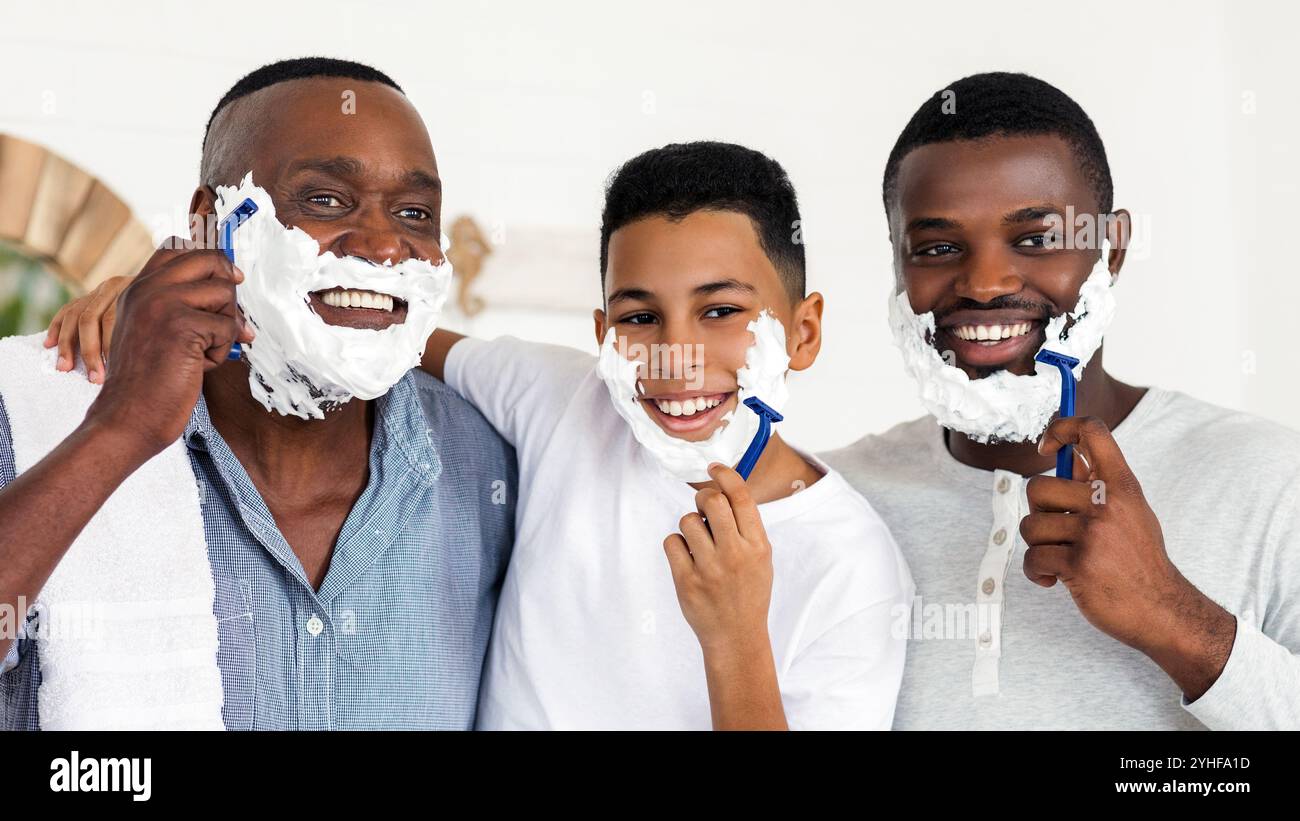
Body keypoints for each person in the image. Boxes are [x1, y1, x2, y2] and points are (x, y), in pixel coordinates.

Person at [53, 141, 914, 730]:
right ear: (599, 329)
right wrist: (178, 291)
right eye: (639, 315)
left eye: (722, 311)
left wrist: (734, 640)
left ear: (802, 332)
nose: (676, 355)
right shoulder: (560, 397)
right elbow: (374, 329)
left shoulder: (853, 565)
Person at [0, 57, 517, 730]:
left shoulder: (487, 470)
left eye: (414, 213)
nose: (385, 244)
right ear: (210, 220)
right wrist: (120, 427)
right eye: (325, 199)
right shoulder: (32, 418)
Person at [822, 72, 1300, 729]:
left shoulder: (1272, 480)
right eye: (937, 247)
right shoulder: (832, 499)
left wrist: (1171, 611)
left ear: (1114, 248)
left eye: (1037, 239)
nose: (986, 284)